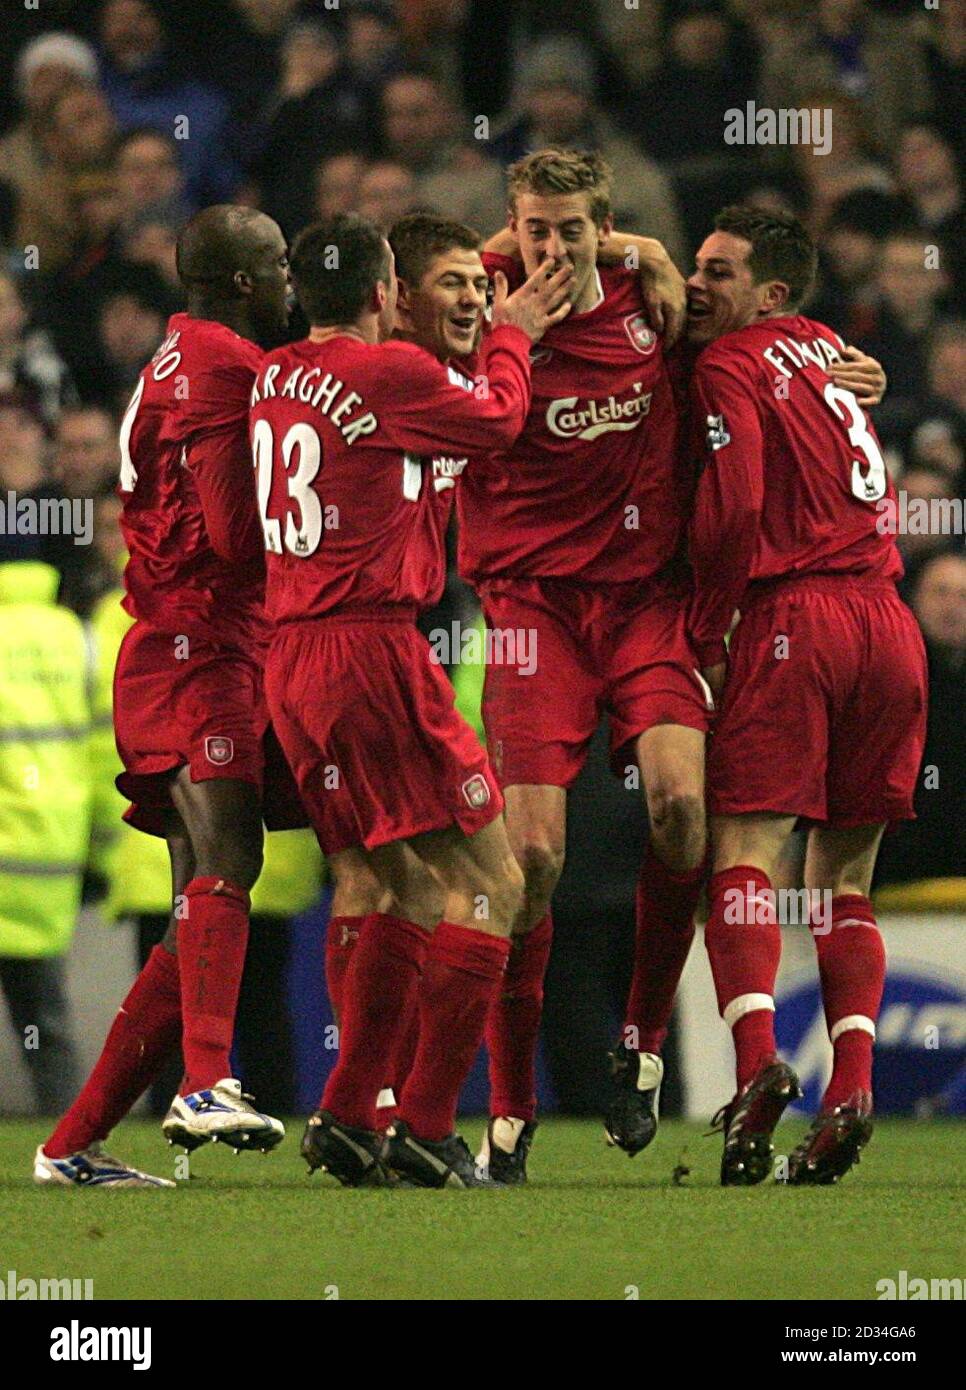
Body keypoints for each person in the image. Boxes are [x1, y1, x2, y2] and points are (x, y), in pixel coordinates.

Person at [254, 212, 572, 1188]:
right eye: (435, 281)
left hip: (294, 656)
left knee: (390, 884)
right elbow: (497, 420)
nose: (469, 299)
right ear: (388, 291)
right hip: (369, 647)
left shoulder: (281, 375)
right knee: (497, 883)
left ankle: (354, 1111)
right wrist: (516, 329)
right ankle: (428, 1123)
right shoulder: (391, 376)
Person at [34, 204, 292, 1189]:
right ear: (238, 280)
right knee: (231, 856)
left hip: (162, 643)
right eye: (273, 264)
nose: (286, 282)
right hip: (205, 648)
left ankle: (73, 1144)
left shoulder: (168, 362)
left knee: (205, 902)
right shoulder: (232, 363)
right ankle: (208, 1081)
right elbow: (234, 533)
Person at [684, 205, 928, 1185]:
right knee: (845, 880)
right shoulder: (826, 347)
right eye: (696, 267)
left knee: (742, 853)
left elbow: (737, 501)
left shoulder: (729, 363)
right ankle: (852, 1089)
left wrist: (710, 629)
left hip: (799, 616)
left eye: (721, 272)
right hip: (891, 621)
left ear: (770, 294)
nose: (702, 285)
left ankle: (754, 1070)